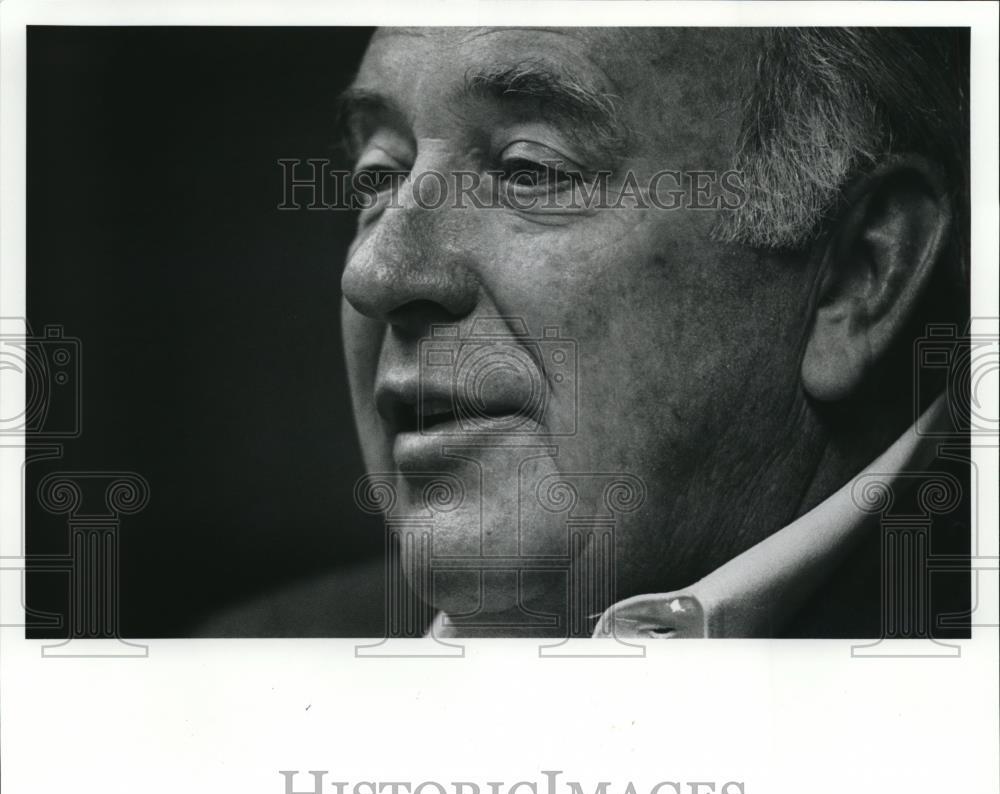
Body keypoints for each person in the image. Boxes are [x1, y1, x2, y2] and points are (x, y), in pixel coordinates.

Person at [205, 27, 971, 638]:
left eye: (529, 169)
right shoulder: (242, 677)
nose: (374, 275)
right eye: (379, 175)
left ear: (859, 276)